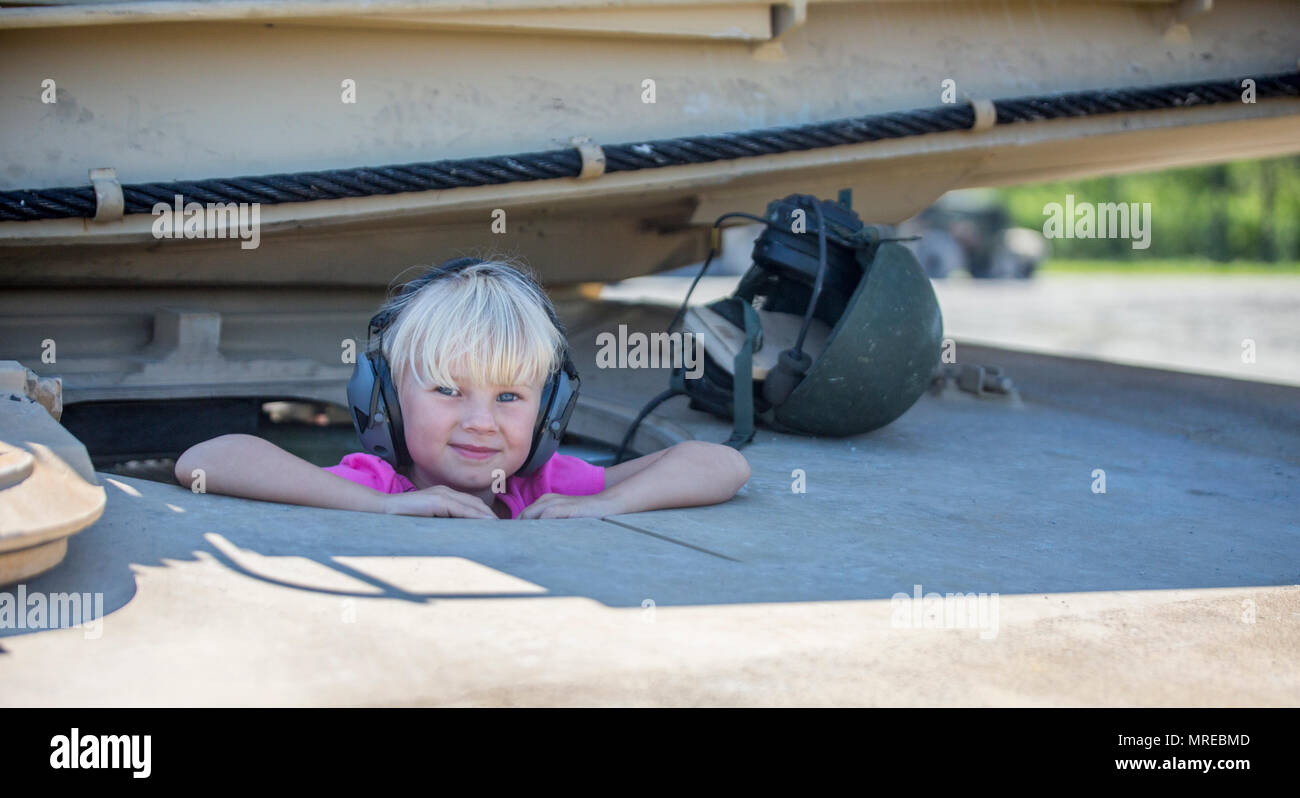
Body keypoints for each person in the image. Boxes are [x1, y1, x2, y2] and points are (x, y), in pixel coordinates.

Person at [174, 256, 750, 520]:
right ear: (387, 403)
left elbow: (720, 464)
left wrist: (607, 503)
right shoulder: (378, 484)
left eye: (509, 397)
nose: (481, 422)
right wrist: (378, 506)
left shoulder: (541, 486)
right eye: (449, 391)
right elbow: (206, 460)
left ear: (549, 412)